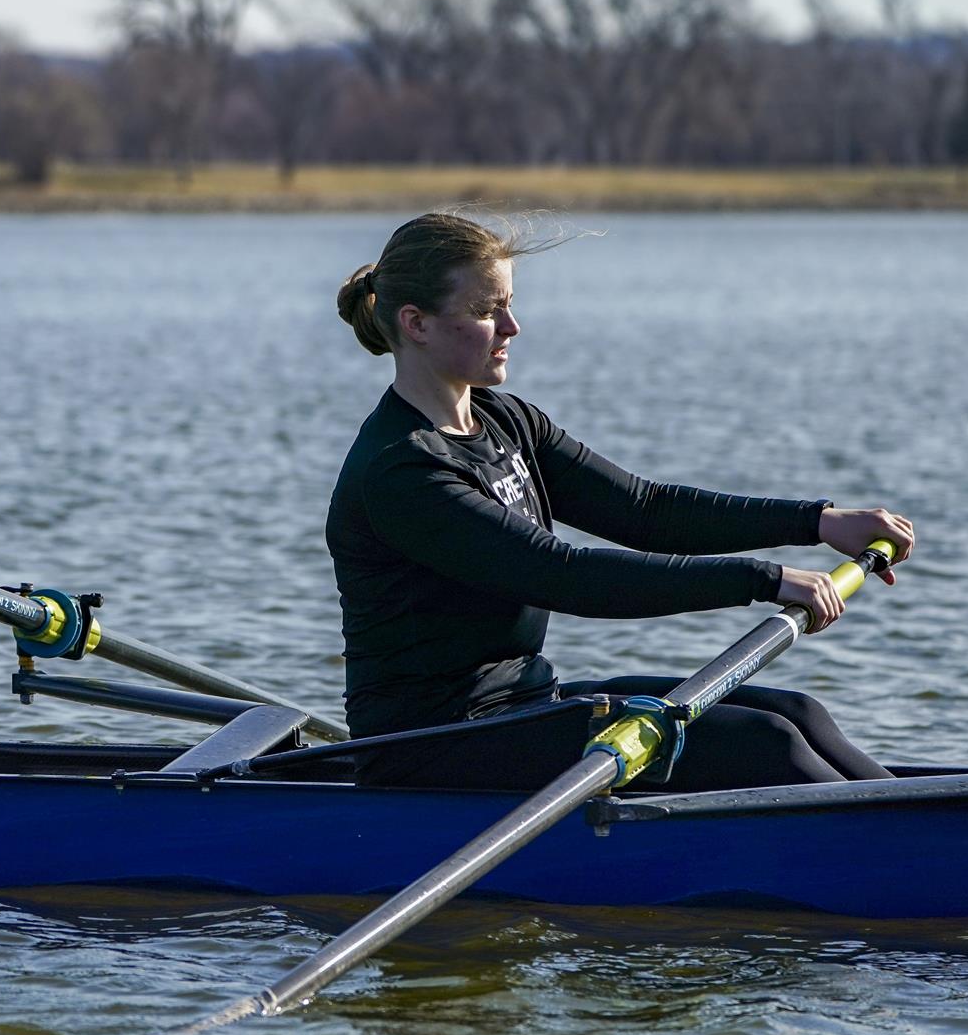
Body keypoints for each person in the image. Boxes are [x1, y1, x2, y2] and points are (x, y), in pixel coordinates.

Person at [326, 212, 915, 791]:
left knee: (795, 714)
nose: (512, 326)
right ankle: (927, 860)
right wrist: (767, 580)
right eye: (486, 310)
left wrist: (818, 521)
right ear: (417, 323)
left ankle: (941, 829)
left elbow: (643, 510)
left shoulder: (504, 419)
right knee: (765, 743)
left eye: (508, 303)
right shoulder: (402, 470)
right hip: (430, 745)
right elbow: (567, 577)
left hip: (526, 703)